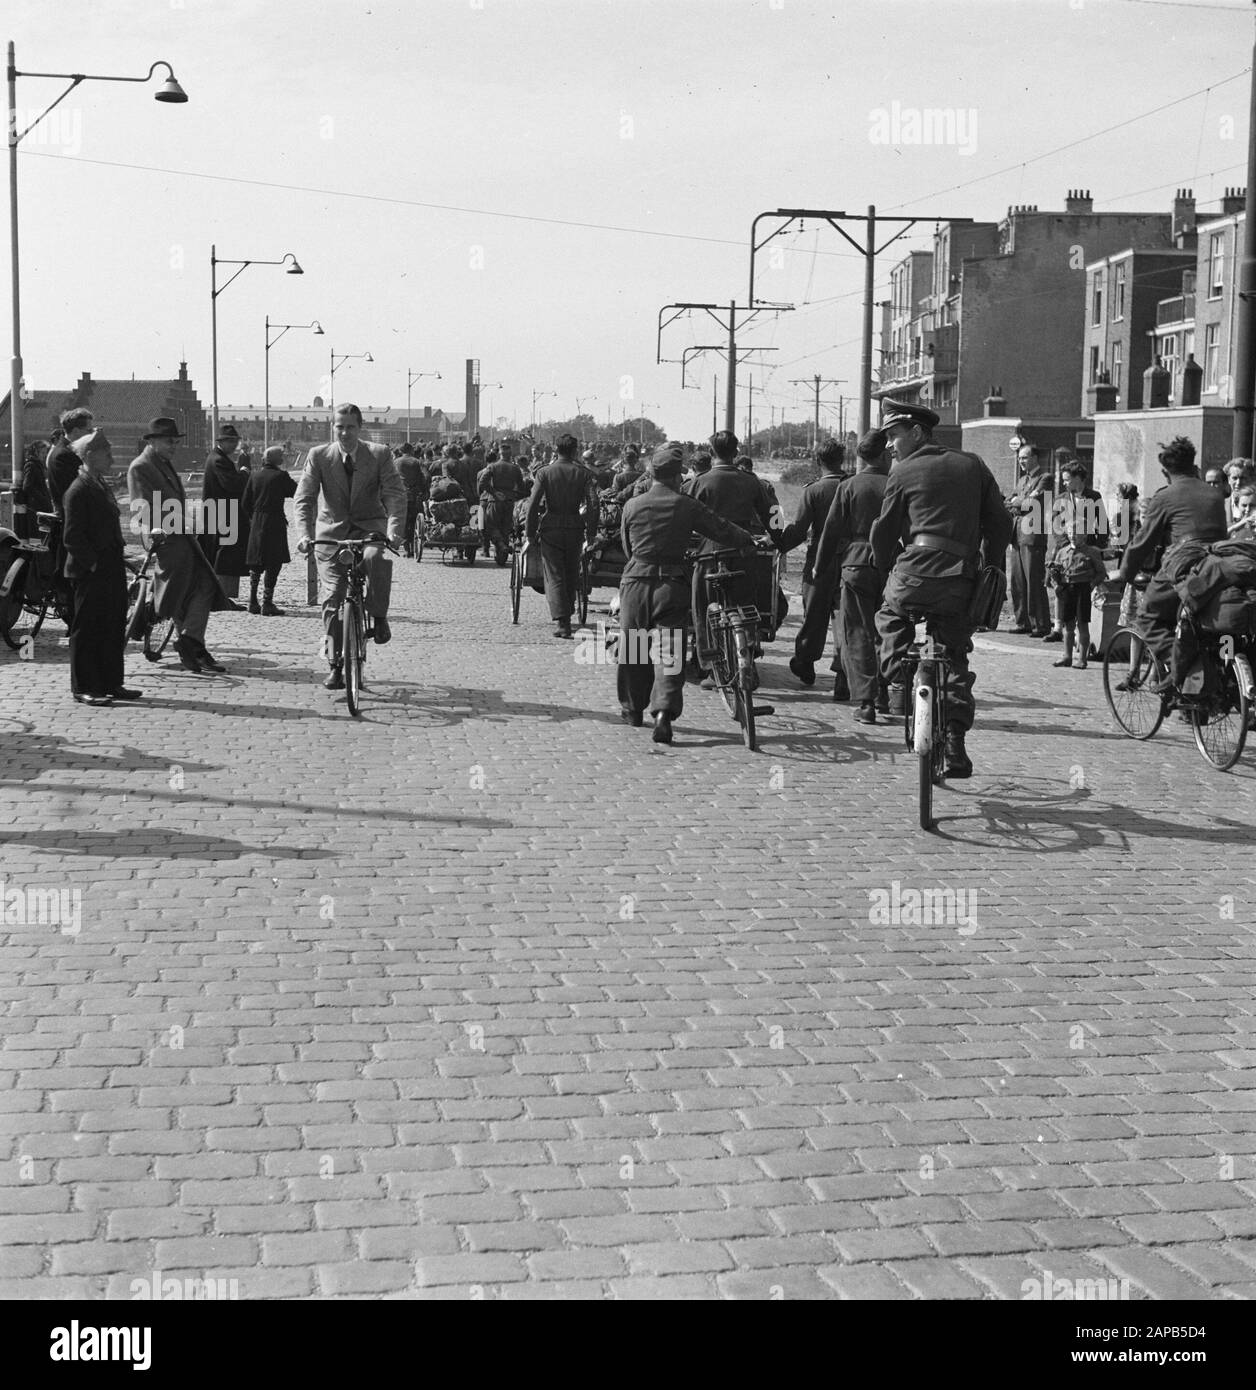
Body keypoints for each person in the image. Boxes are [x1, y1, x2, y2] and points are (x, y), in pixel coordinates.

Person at [869, 401, 1014, 778]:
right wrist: (992, 564)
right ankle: (954, 744)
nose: (889, 445)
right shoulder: (973, 465)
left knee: (888, 613)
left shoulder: (903, 472)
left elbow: (883, 531)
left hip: (913, 574)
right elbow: (1000, 522)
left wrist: (886, 567)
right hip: (960, 579)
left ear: (917, 433)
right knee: (954, 655)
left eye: (894, 435)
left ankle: (900, 675)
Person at [618, 443, 759, 743]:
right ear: (675, 477)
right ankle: (663, 715)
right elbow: (720, 528)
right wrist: (747, 539)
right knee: (671, 651)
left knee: (633, 647)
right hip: (671, 585)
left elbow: (627, 549)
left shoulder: (632, 505)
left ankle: (632, 710)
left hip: (635, 582)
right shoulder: (686, 505)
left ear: (653, 474)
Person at [294, 403, 406, 690]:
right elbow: (305, 499)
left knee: (376, 559)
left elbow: (394, 494)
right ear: (333, 428)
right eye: (339, 426)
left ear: (360, 427)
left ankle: (379, 617)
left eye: (350, 427)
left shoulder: (379, 455)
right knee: (333, 599)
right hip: (331, 534)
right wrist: (304, 535)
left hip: (369, 527)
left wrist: (393, 531)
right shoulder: (319, 456)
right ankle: (334, 663)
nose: (345, 432)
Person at [1114, 435, 1227, 692]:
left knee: (1147, 616)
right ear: (1194, 465)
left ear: (1166, 472)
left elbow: (1142, 542)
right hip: (1219, 566)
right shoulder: (1214, 495)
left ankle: (1182, 668)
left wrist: (1124, 573)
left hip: (1185, 565)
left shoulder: (1165, 497)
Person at [128, 417, 235, 674]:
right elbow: (143, 510)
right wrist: (177, 523)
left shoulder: (162, 463)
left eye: (175, 441)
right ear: (152, 441)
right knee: (185, 590)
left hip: (181, 536)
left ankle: (190, 641)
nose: (173, 446)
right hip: (165, 540)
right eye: (169, 442)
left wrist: (189, 521)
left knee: (204, 585)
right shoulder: (141, 467)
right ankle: (154, 618)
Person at [813, 432, 891, 721]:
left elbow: (831, 532)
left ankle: (867, 701)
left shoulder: (849, 486)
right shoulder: (895, 484)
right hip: (891, 565)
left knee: (857, 632)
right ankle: (886, 691)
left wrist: (820, 568)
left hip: (855, 564)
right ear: (883, 456)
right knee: (888, 629)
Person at [61, 430, 140, 706]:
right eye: (106, 452)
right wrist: (93, 564)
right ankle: (84, 686)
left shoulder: (99, 484)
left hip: (110, 565)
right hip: (90, 570)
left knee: (112, 624)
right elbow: (73, 537)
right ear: (89, 455)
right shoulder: (78, 489)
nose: (111, 457)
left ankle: (110, 681)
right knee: (87, 628)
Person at [774, 438, 850, 696]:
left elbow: (799, 531)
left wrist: (778, 545)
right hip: (851, 561)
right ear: (843, 459)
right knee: (844, 618)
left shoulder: (814, 491)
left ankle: (805, 661)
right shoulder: (852, 486)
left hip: (819, 561)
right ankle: (842, 673)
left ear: (818, 461)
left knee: (814, 616)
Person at [524, 433, 597, 638]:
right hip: (575, 527)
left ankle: (562, 622)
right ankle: (568, 612)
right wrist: (591, 532)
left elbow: (532, 505)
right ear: (575, 451)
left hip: (551, 528)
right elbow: (593, 503)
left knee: (554, 574)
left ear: (556, 450)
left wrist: (530, 533)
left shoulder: (544, 473)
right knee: (572, 572)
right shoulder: (584, 474)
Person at [241, 445, 298, 615]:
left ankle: (252, 601)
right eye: (281, 455)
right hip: (275, 522)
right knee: (273, 562)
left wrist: (254, 518)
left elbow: (245, 503)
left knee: (256, 562)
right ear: (274, 459)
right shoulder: (281, 476)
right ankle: (267, 602)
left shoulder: (254, 476)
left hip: (257, 522)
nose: (284, 457)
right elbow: (296, 492)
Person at [1047, 526, 1107, 670]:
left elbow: (1101, 572)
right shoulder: (1062, 551)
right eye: (1070, 532)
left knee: (1082, 625)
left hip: (1083, 590)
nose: (1073, 535)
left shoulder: (1092, 552)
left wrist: (1092, 585)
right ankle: (1067, 656)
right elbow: (1055, 571)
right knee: (1067, 625)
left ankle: (1082, 659)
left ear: (1084, 535)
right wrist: (1056, 584)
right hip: (1067, 589)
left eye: (1077, 532)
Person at [1007, 443, 1051, 636]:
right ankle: (1022, 621)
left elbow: (1036, 504)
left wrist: (1020, 503)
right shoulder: (1022, 480)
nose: (1021, 461)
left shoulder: (1045, 478)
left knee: (1034, 581)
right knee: (1017, 581)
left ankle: (1040, 624)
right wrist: (1018, 504)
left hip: (1032, 535)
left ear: (1034, 458)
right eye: (1019, 458)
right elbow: (1011, 503)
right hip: (1017, 535)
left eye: (1024, 457)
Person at [200, 424, 249, 579]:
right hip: (221, 515)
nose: (234, 445)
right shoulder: (218, 460)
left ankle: (223, 597)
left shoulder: (219, 458)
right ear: (221, 442)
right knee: (223, 556)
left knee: (224, 555)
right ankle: (222, 595)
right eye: (231, 442)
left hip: (220, 514)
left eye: (235, 441)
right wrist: (243, 474)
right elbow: (232, 484)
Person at [477, 446, 529, 564]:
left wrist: (494, 492)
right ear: (510, 455)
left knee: (491, 525)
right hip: (510, 501)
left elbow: (482, 482)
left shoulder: (492, 466)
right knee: (506, 527)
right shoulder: (515, 469)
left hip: (495, 500)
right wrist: (514, 496)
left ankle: (500, 544)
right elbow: (521, 487)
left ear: (500, 454)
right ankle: (503, 548)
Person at [394, 444, 427, 558]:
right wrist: (424, 490)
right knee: (413, 522)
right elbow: (425, 476)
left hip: (400, 496)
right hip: (414, 495)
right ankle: (414, 547)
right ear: (411, 450)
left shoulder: (396, 462)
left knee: (403, 522)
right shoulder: (417, 462)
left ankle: (407, 549)